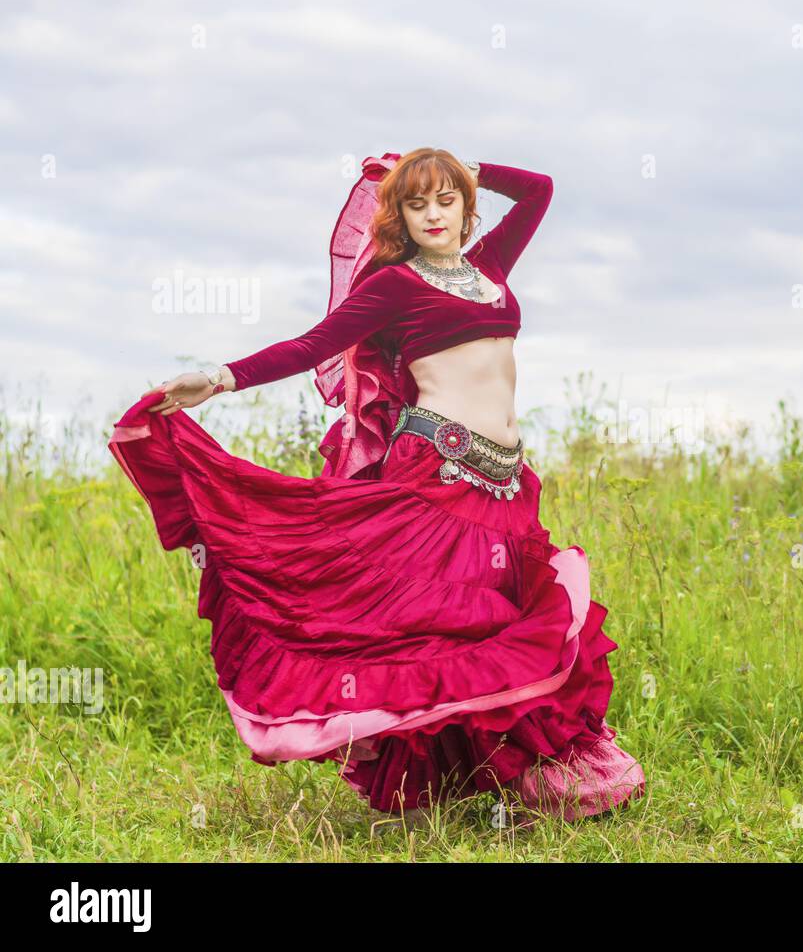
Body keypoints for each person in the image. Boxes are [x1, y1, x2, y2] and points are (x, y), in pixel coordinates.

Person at [107, 148, 647, 826]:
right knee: (424, 624)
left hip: (506, 483)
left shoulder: (488, 269)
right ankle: (418, 798)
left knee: (500, 625)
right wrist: (216, 377)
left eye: (445, 200)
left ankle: (507, 783)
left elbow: (539, 190)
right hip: (437, 475)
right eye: (416, 204)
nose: (432, 215)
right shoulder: (396, 287)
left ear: (465, 205)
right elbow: (311, 344)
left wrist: (463, 162)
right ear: (400, 216)